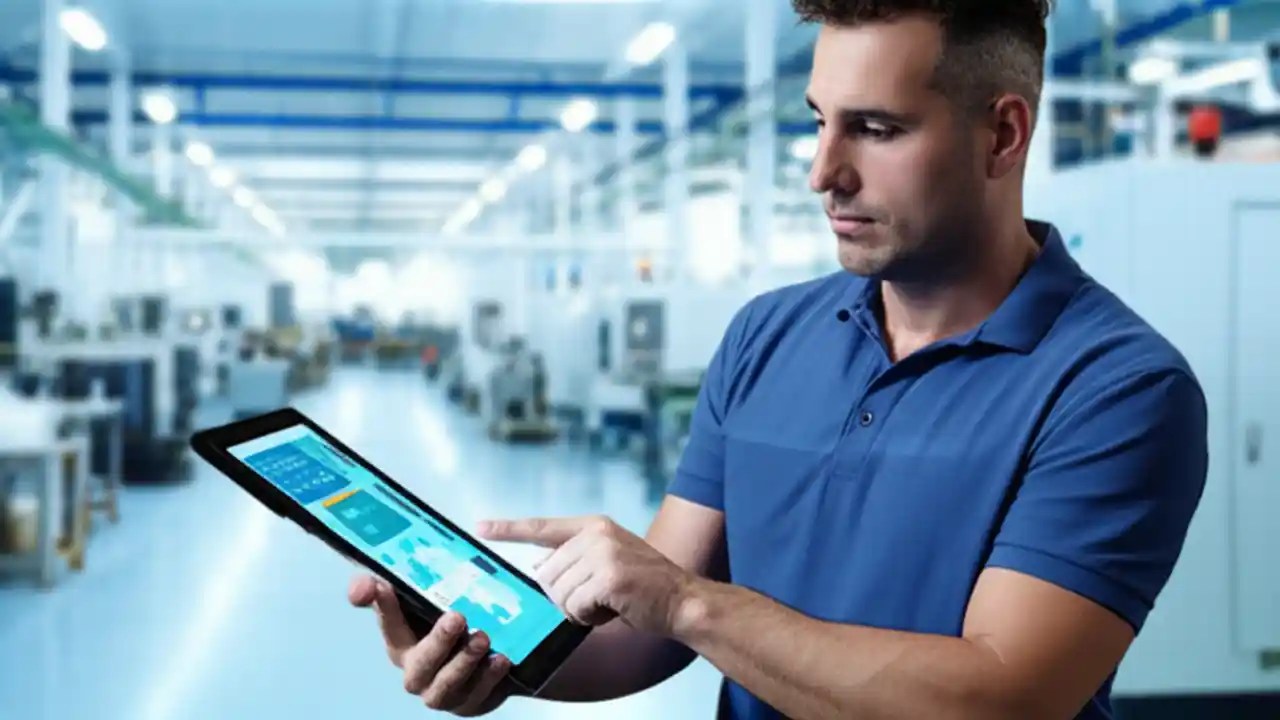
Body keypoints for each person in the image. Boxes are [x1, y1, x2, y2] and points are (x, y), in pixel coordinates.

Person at [348, 1, 1210, 718]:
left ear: (1003, 135)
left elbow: (1001, 699)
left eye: (875, 129)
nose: (823, 172)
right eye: (819, 122)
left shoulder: (1115, 389)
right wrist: (497, 655)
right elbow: (642, 637)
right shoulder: (766, 337)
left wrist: (689, 603)